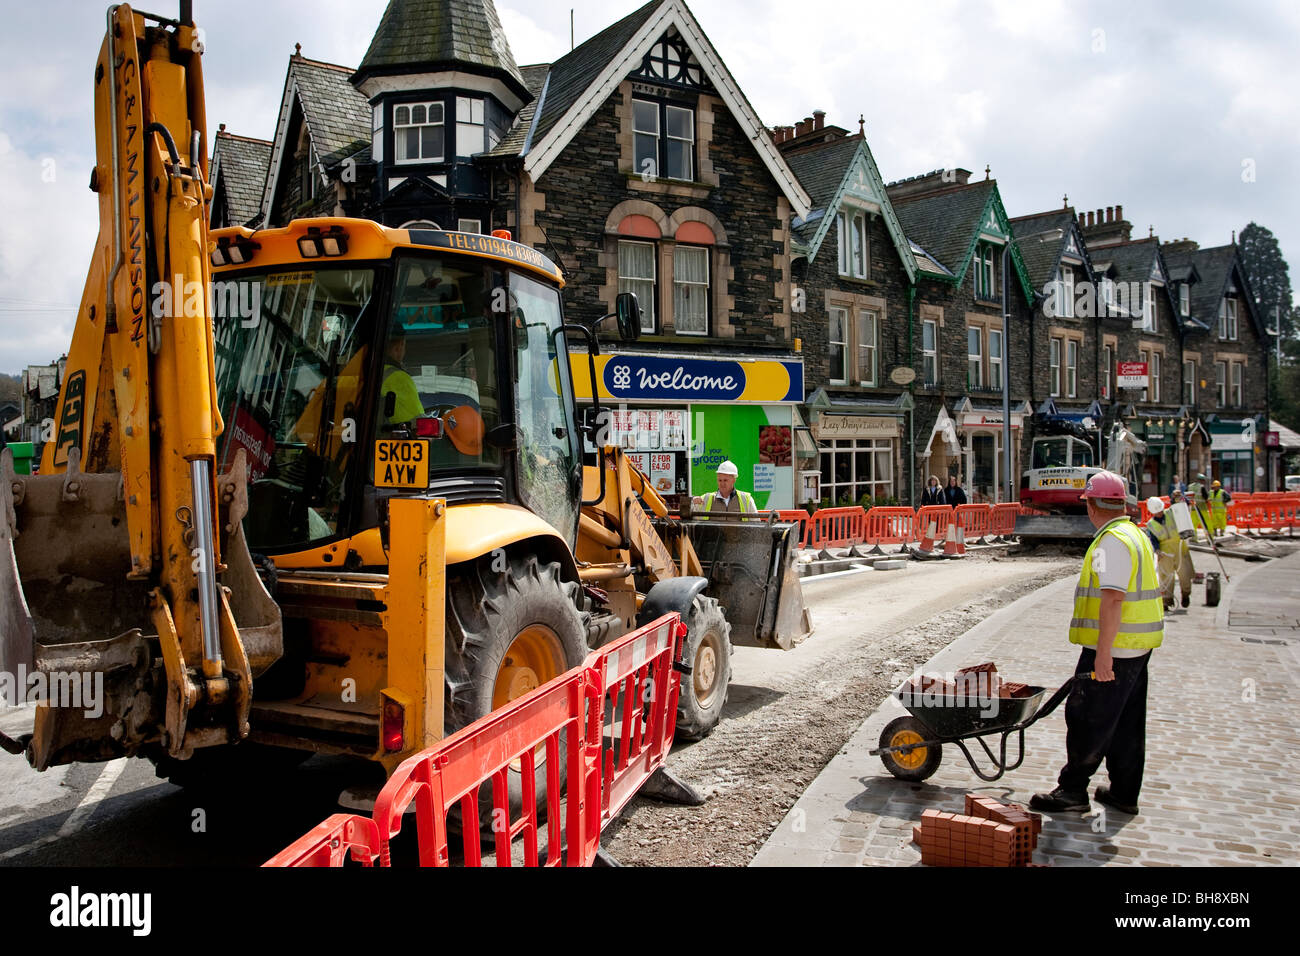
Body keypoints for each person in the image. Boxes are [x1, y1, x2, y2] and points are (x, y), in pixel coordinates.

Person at [1030, 470, 1163, 816]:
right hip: (1136, 646)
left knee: (1087, 717)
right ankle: (1124, 792)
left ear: (1091, 505)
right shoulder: (1135, 534)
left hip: (1113, 649)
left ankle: (1072, 790)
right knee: (1126, 722)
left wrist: (1103, 655)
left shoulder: (1111, 542)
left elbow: (1113, 599)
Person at [1144, 495, 1193, 610]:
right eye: (1157, 512)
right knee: (1166, 577)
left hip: (1179, 547)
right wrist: (1157, 550)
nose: (1159, 513)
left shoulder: (1171, 512)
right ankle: (1167, 600)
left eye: (1160, 510)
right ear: (1152, 512)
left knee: (1185, 574)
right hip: (1165, 552)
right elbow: (1153, 540)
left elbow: (1184, 505)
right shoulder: (1150, 525)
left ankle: (1186, 594)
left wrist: (1178, 497)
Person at [380, 324, 424, 425]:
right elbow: (417, 424)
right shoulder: (398, 378)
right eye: (404, 345)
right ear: (398, 347)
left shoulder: (358, 373)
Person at [692, 460, 757, 515]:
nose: (722, 484)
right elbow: (691, 517)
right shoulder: (705, 499)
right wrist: (692, 502)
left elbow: (755, 523)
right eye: (720, 480)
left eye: (725, 480)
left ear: (734, 480)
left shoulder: (746, 499)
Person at [1186, 472, 1210, 538]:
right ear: (1201, 480)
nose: (1204, 482)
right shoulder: (1202, 487)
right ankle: (1209, 537)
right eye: (1204, 480)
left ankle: (1194, 538)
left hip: (1193, 509)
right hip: (1202, 509)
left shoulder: (1190, 486)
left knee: (1193, 524)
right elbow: (1206, 497)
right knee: (1206, 524)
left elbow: (1186, 495)